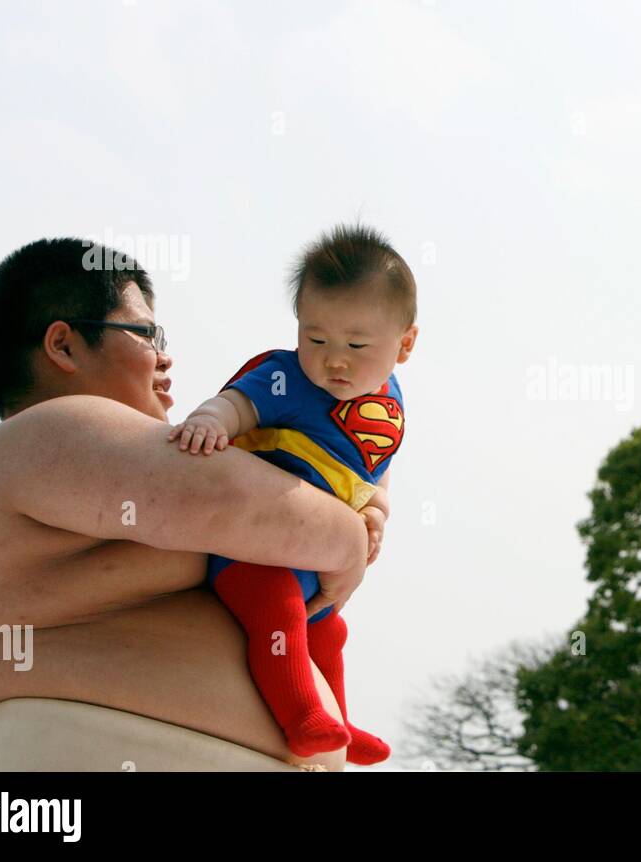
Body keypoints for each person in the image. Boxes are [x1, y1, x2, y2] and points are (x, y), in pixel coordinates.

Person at [0, 237, 385, 770]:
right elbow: (227, 502)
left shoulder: (77, 477)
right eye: (146, 333)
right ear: (63, 346)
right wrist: (348, 541)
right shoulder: (43, 431)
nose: (165, 355)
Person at [169, 224, 418, 763]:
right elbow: (236, 403)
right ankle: (302, 715)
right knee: (279, 616)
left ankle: (340, 721)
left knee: (329, 634)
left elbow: (377, 465)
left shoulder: (390, 400)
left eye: (356, 345)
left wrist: (377, 508)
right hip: (251, 554)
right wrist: (209, 421)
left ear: (405, 345)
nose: (334, 360)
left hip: (318, 565)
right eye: (316, 338)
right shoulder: (286, 378)